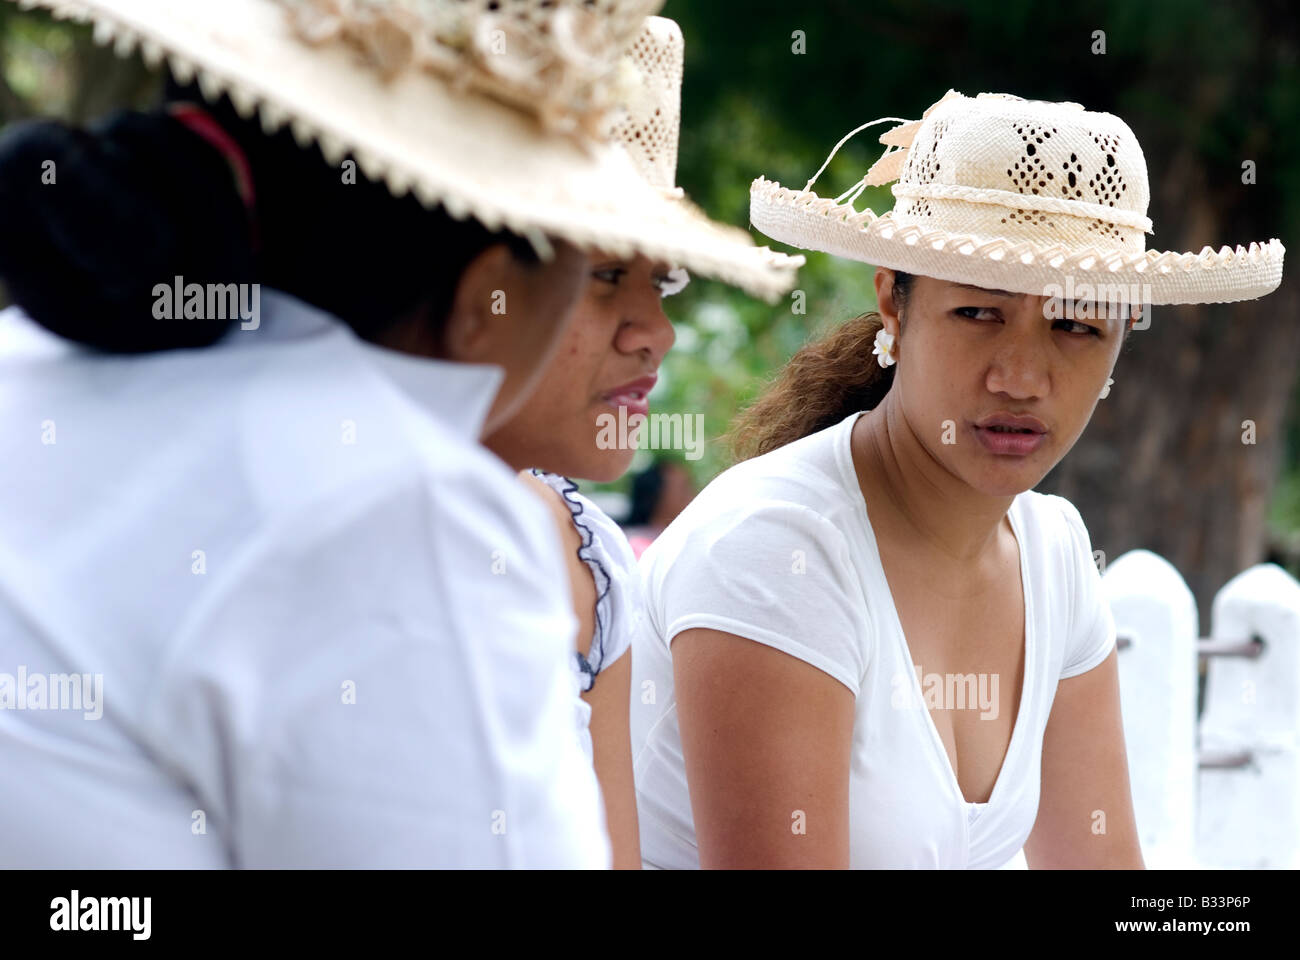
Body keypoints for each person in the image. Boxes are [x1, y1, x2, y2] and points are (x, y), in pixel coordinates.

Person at [0, 0, 788, 868]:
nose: (655, 331)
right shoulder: (393, 507)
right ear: (484, 297)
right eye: (593, 271)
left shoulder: (29, 362)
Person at [631, 89, 1285, 868]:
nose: (1022, 377)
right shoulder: (777, 550)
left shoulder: (1052, 554)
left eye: (1077, 326)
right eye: (980, 313)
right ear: (893, 306)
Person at [483, 15, 800, 868]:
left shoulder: (592, 563)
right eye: (606, 277)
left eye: (659, 280)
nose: (655, 331)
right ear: (482, 276)